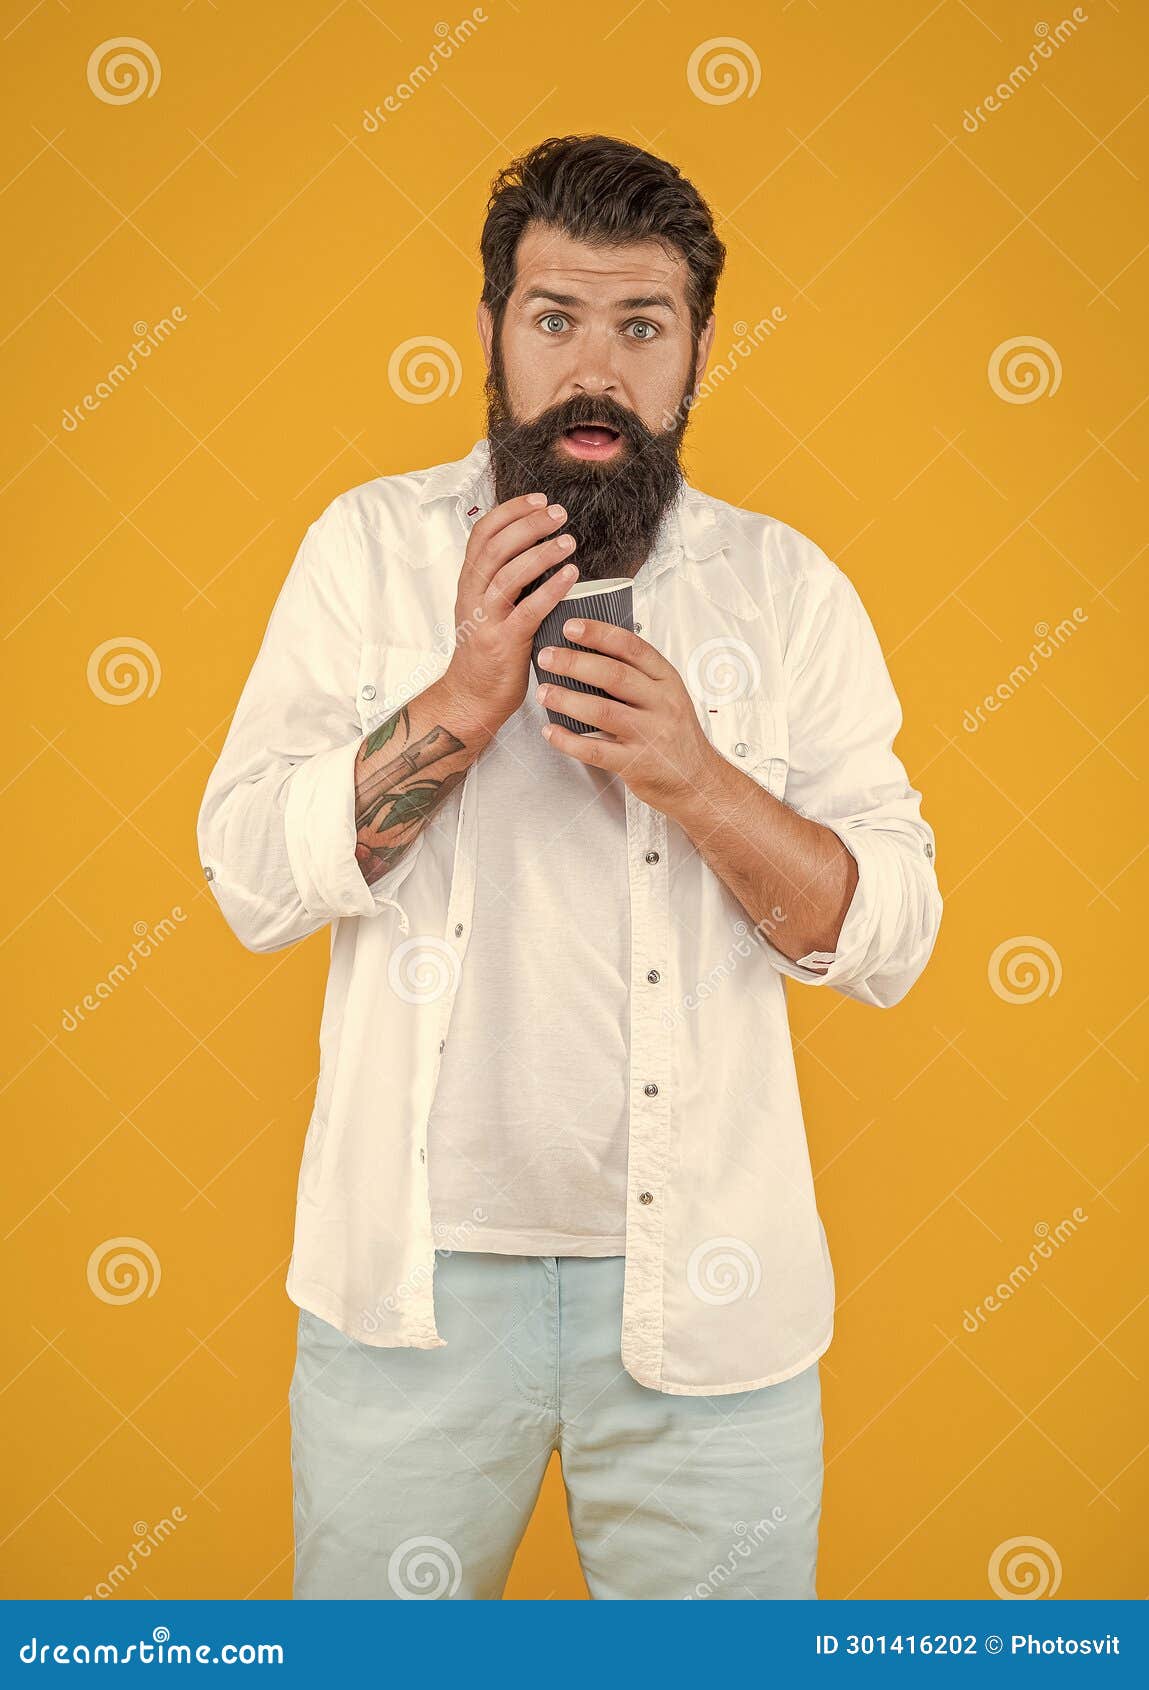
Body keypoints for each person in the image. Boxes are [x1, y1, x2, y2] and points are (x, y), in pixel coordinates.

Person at [196, 134, 943, 1600]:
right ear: (488, 334)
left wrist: (700, 779)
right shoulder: (363, 554)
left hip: (705, 1313)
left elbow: (894, 932)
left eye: (639, 326)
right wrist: (456, 703)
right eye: (554, 319)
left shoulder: (785, 591)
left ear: (696, 352)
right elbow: (246, 879)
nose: (592, 370)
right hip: (405, 1299)